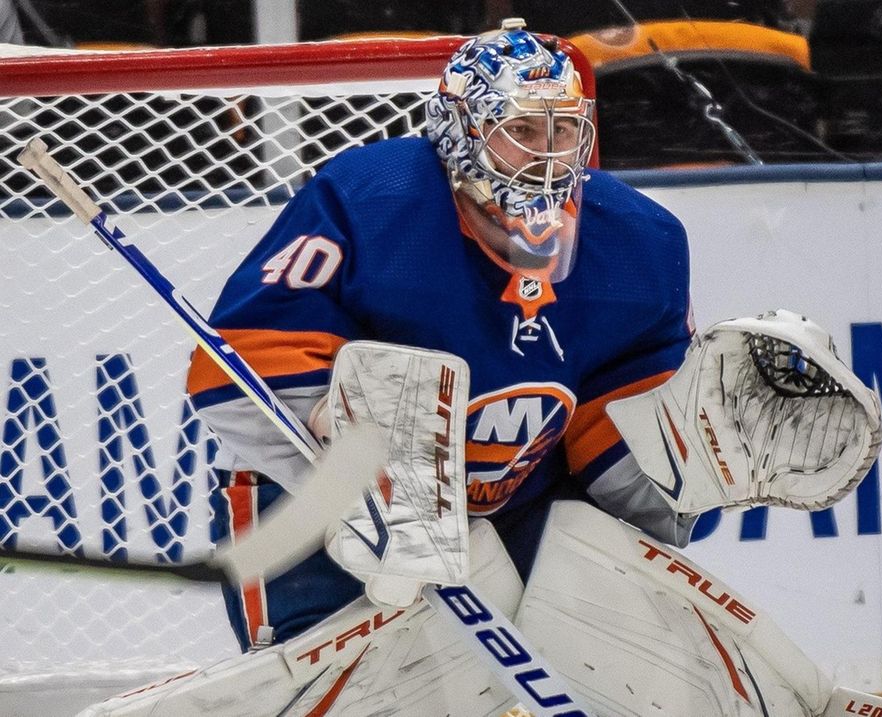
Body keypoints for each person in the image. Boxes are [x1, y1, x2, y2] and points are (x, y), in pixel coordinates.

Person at [184, 17, 698, 652]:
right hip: (321, 508)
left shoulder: (641, 241)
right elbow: (237, 364)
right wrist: (356, 447)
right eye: (521, 130)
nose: (547, 154)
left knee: (570, 668)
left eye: (563, 130)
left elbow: (622, 423)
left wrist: (691, 466)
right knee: (328, 686)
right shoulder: (371, 198)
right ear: (460, 129)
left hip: (517, 506)